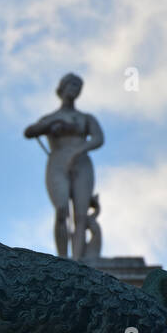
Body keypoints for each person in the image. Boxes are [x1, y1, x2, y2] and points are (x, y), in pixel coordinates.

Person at [23, 73, 105, 259]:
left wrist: (78, 151)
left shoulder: (86, 118)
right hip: (58, 163)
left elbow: (98, 138)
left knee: (81, 215)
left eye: (78, 86)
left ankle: (77, 260)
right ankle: (62, 259)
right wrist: (50, 125)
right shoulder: (51, 117)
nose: (74, 89)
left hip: (81, 164)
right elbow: (29, 132)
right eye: (71, 85)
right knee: (61, 210)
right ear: (62, 87)